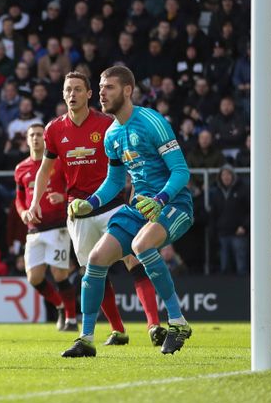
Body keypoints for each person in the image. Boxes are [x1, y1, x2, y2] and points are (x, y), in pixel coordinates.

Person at [61, 66, 194, 357]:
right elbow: (114, 181)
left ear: (127, 90)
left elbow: (181, 171)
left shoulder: (151, 121)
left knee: (141, 245)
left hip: (172, 203)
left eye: (108, 87)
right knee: (96, 259)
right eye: (101, 87)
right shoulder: (112, 134)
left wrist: (160, 199)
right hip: (138, 208)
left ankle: (177, 321)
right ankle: (85, 339)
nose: (102, 93)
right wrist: (91, 203)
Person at [25, 71, 162, 348]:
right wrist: (34, 202)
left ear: (89, 94)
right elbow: (44, 170)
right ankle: (118, 330)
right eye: (68, 90)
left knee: (134, 260)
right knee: (93, 272)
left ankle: (154, 325)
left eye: (78, 89)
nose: (72, 94)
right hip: (80, 212)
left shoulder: (108, 124)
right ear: (63, 95)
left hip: (113, 206)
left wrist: (139, 194)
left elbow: (131, 164)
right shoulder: (54, 130)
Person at [15, 123, 76, 331]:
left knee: (60, 274)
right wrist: (23, 212)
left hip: (57, 227)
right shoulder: (21, 169)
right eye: (32, 135)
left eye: (39, 135)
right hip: (34, 229)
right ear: (27, 140)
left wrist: (64, 197)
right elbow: (19, 198)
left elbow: (74, 187)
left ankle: (71, 319)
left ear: (45, 138)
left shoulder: (58, 163)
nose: (35, 138)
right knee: (34, 278)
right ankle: (59, 305)